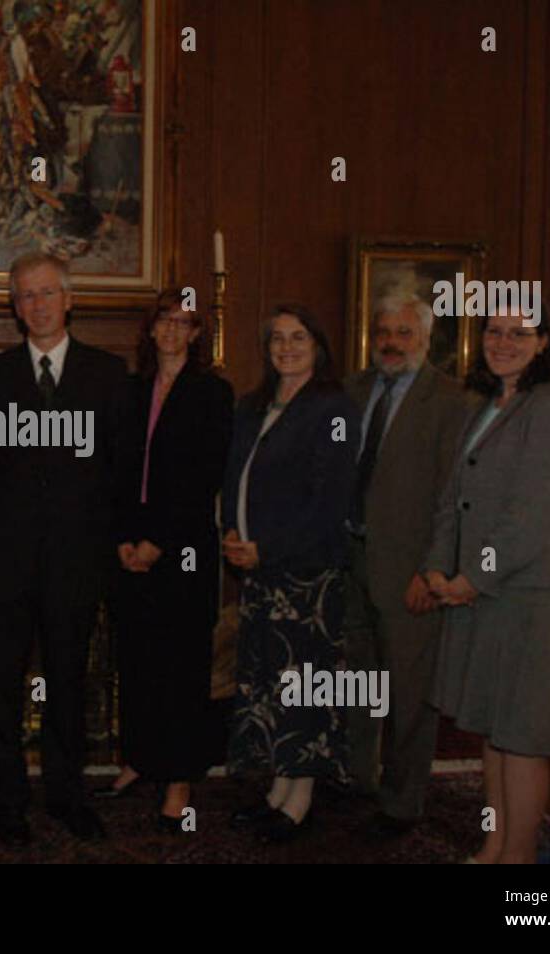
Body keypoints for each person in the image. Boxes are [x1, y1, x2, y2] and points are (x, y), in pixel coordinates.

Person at [422, 306, 550, 864]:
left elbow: (532, 512)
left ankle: (518, 860)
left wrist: (476, 576)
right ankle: (494, 846)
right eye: (494, 331)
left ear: (545, 342)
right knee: (493, 730)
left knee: (520, 736)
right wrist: (437, 567)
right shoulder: (484, 403)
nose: (503, 342)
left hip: (529, 589)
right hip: (477, 587)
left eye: (519, 333)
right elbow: (454, 498)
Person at [0, 252, 127, 847]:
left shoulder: (107, 374)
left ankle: (67, 794)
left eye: (46, 293)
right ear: (15, 307)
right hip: (8, 559)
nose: (36, 304)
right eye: (25, 296)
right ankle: (8, 799)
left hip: (75, 560)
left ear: (69, 299)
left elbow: (115, 470)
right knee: (4, 685)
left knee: (68, 681)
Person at [221, 303, 358, 842]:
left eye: (298, 337)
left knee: (303, 686)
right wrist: (229, 534)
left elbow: (331, 502)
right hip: (259, 574)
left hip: (307, 575)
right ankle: (279, 788)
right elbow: (236, 477)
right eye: (277, 338)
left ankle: (300, 797)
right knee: (270, 683)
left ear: (318, 345)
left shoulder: (335, 408)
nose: (287, 347)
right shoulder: (254, 405)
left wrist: (268, 547)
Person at [341, 293, 473, 835]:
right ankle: (357, 780)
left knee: (408, 692)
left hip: (410, 569)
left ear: (425, 339)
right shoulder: (352, 390)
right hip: (349, 558)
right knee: (358, 681)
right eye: (383, 333)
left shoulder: (450, 400)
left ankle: (401, 802)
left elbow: (453, 495)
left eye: (403, 333)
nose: (391, 343)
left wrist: (433, 569)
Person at [103, 290, 233, 829]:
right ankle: (141, 758)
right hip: (129, 550)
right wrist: (123, 540)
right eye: (165, 321)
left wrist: (158, 540)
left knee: (181, 665)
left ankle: (178, 778)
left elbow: (202, 478)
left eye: (185, 323)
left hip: (182, 552)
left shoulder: (212, 393)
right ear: (151, 329)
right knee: (136, 660)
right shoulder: (128, 390)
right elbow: (111, 469)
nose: (173, 331)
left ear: (198, 334)